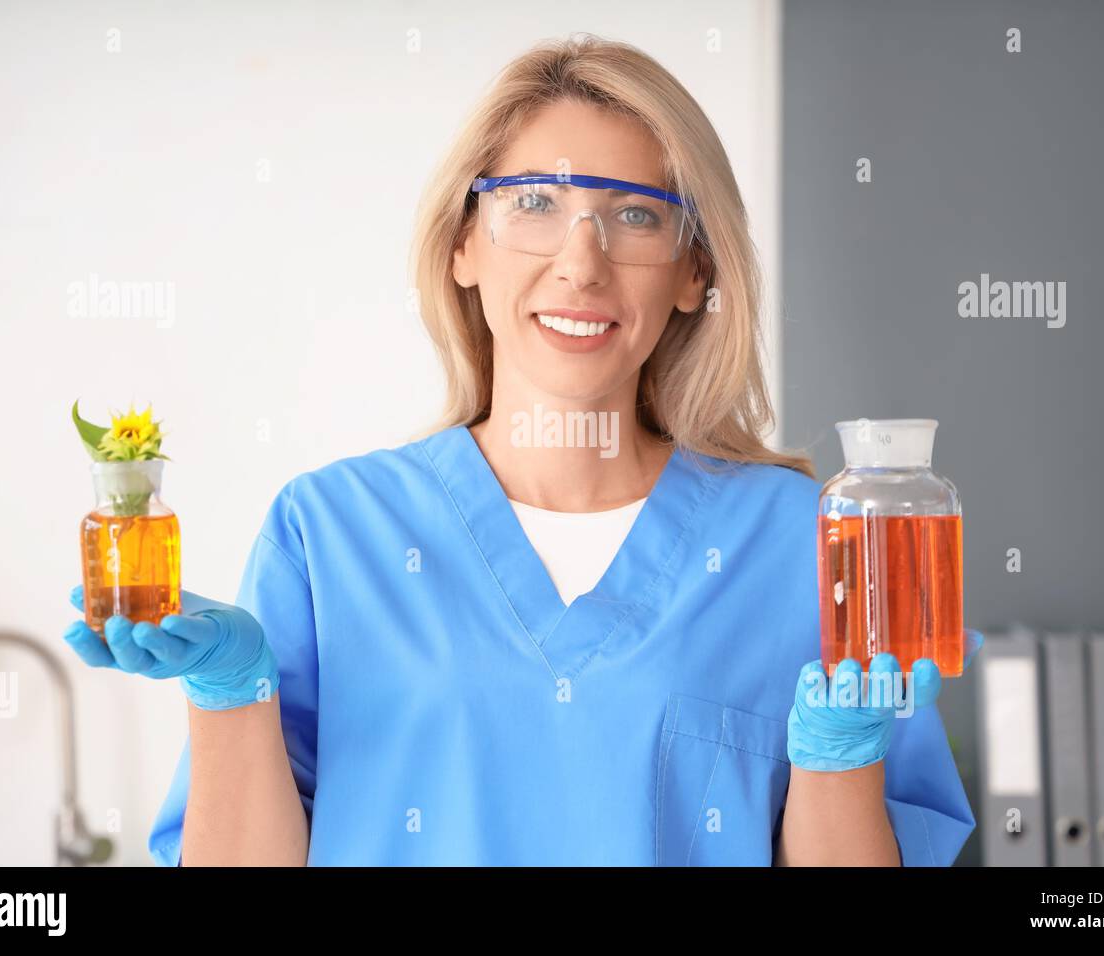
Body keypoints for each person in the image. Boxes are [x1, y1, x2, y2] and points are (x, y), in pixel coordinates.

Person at [62, 34, 979, 866]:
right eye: (534, 203)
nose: (581, 263)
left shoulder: (805, 544)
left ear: (697, 270)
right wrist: (232, 693)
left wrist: (835, 764)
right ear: (464, 243)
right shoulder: (330, 533)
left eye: (636, 215)